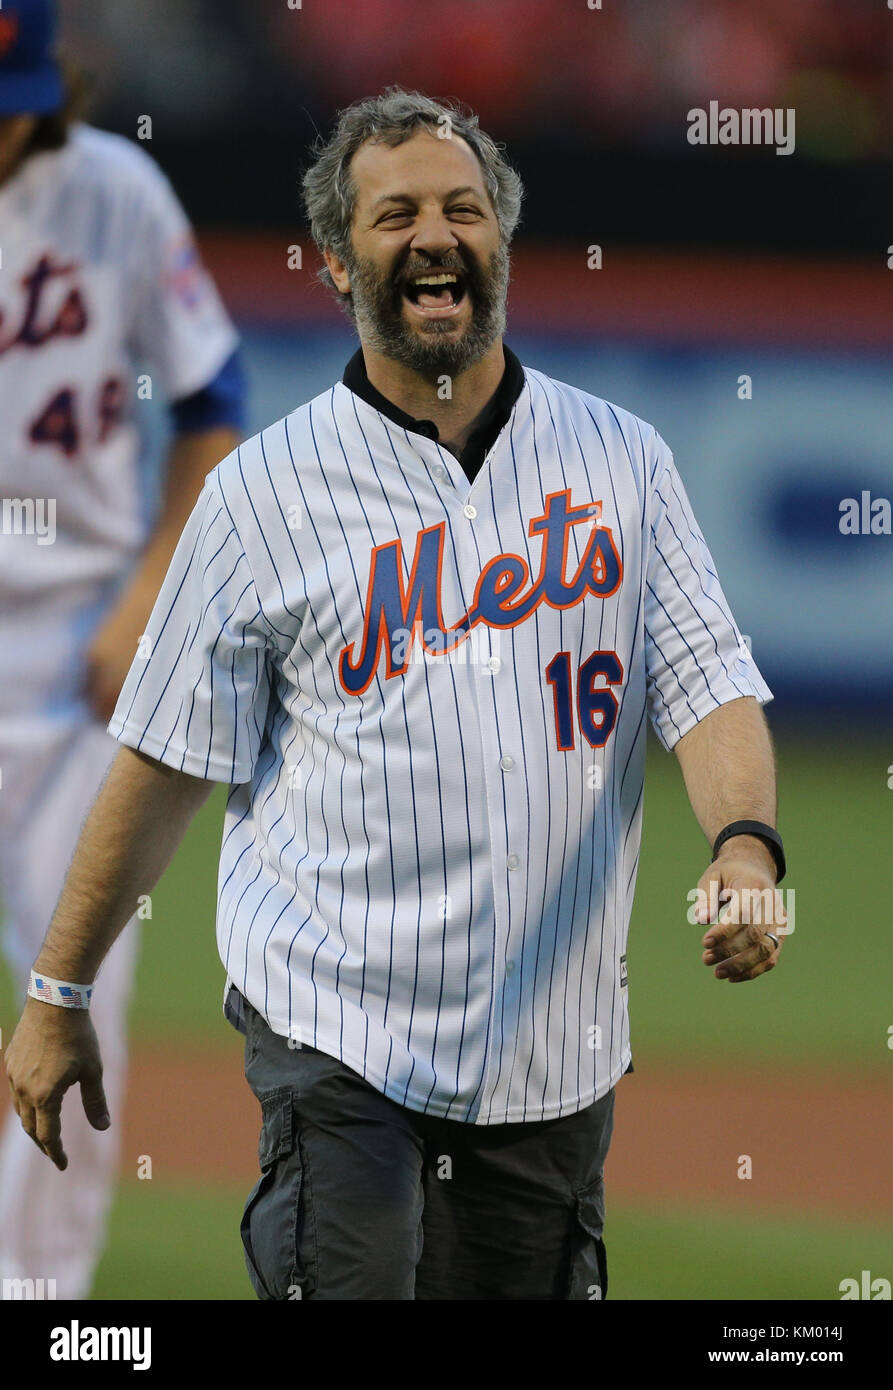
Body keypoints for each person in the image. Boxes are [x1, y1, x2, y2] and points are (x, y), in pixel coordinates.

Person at [4, 87, 786, 1301]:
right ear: (333, 264)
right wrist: (58, 991)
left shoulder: (622, 461)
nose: (435, 235)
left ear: (500, 242)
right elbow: (162, 761)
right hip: (336, 1037)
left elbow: (708, 683)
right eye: (395, 215)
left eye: (463, 209)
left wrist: (745, 846)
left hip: (554, 1055)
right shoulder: (262, 495)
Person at [0, 0, 244, 1299]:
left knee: (68, 997)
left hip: (76, 658)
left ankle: (34, 1301)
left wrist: (152, 584)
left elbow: (213, 405)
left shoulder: (116, 194)